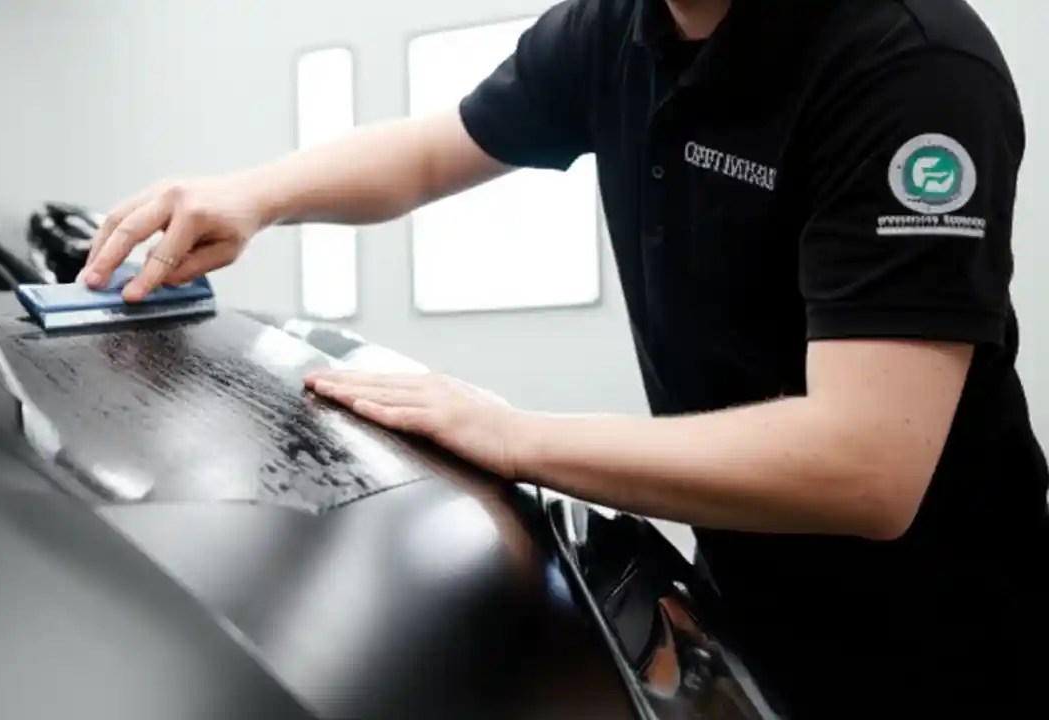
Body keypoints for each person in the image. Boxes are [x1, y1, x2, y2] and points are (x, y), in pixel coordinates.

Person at [81, 0, 1048, 714]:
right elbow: (430, 152)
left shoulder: (912, 66)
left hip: (942, 649)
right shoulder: (616, 30)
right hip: (740, 601)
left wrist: (515, 436)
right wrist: (253, 196)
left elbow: (868, 466)